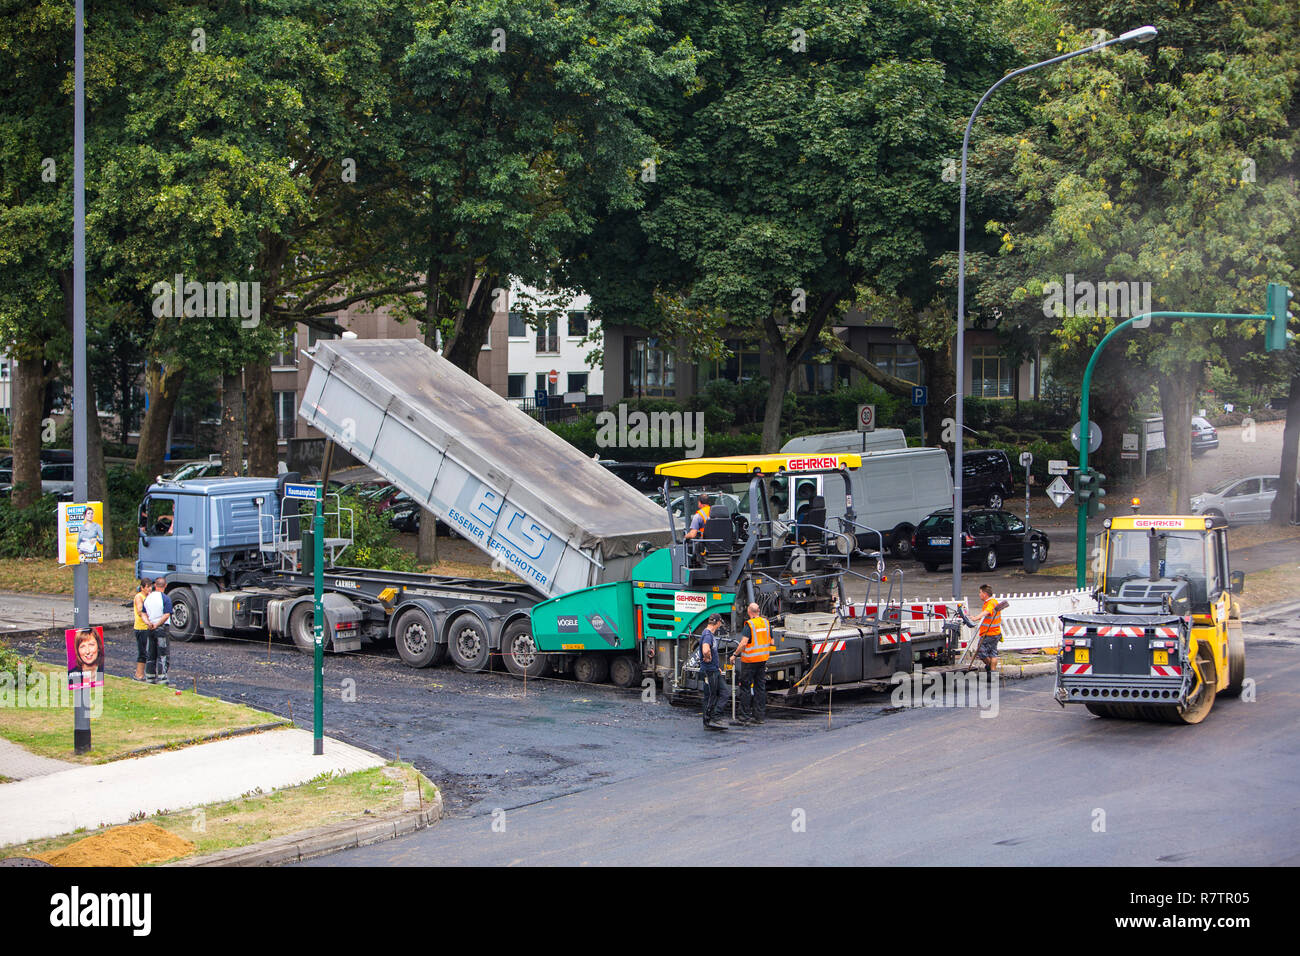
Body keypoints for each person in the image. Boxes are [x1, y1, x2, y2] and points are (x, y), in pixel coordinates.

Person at [729, 602, 772, 725]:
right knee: (760, 688)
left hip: (749, 661)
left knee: (745, 688)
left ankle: (744, 716)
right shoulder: (766, 622)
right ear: (758, 611)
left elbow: (743, 643)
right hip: (762, 660)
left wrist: (735, 655)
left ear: (749, 612)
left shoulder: (750, 625)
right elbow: (771, 640)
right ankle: (759, 717)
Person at [699, 614, 729, 730]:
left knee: (724, 692)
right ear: (717, 623)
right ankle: (709, 720)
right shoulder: (707, 635)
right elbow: (706, 649)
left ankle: (716, 717)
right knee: (711, 696)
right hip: (709, 671)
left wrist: (716, 666)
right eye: (720, 622)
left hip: (714, 670)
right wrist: (708, 657)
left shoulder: (709, 634)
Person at [143, 577, 173, 685]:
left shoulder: (148, 598)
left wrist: (148, 622)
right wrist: (157, 624)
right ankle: (162, 678)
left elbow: (143, 613)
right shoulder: (165, 598)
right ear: (165, 586)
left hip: (150, 628)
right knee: (163, 653)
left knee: (151, 652)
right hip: (161, 628)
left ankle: (150, 677)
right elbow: (166, 614)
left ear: (155, 585)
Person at [973, 584, 1008, 675]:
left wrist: (976, 617)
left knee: (981, 651)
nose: (979, 594)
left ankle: (990, 667)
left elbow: (987, 611)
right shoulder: (994, 601)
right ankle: (992, 672)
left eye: (980, 592)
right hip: (996, 632)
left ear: (985, 594)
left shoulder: (990, 603)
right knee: (993, 652)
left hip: (988, 633)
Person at [132, 578, 152, 681]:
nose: (149, 589)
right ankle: (139, 675)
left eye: (150, 587)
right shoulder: (139, 597)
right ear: (142, 588)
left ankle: (147, 674)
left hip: (148, 627)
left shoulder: (149, 597)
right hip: (141, 628)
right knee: (142, 652)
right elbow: (140, 611)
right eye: (147, 587)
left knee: (150, 652)